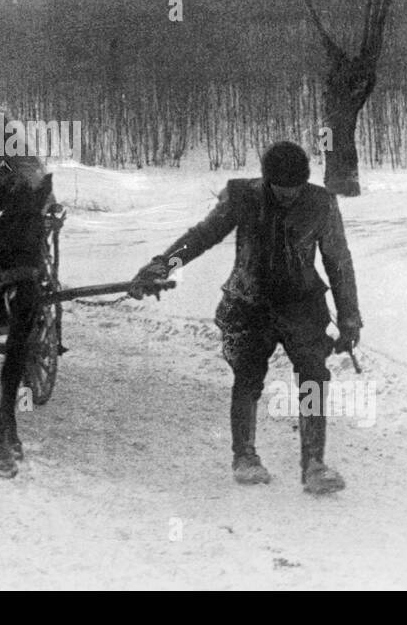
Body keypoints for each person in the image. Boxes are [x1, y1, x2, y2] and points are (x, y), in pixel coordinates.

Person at [129, 141, 362, 495]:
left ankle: (314, 462)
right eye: (281, 188)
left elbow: (339, 262)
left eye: (295, 188)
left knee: (313, 378)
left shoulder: (321, 203)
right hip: (249, 302)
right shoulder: (242, 196)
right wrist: (164, 264)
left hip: (301, 305)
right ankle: (245, 456)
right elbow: (202, 236)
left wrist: (349, 318)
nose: (288, 195)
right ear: (267, 181)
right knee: (248, 378)